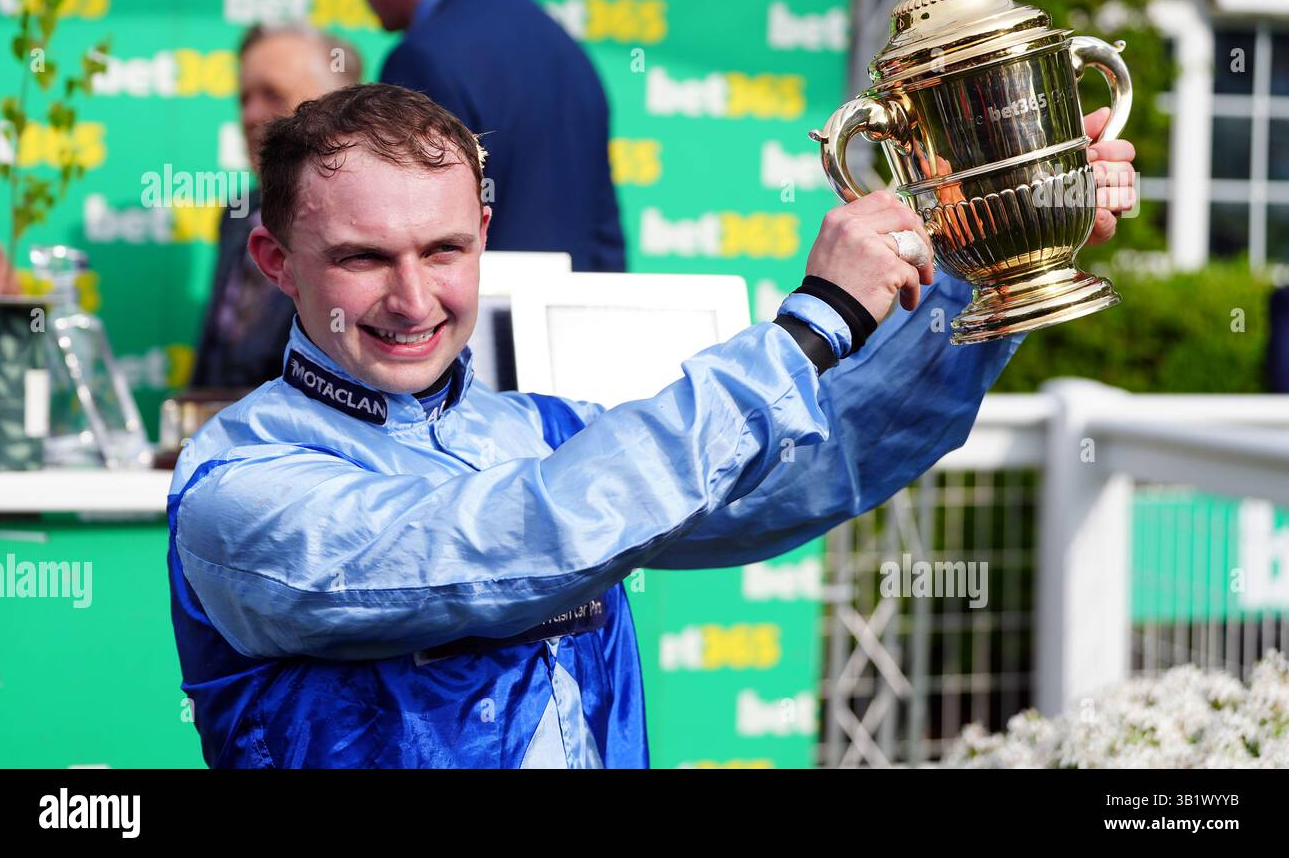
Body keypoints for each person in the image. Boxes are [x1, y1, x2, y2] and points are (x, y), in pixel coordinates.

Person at [167, 84, 1136, 768]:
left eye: (444, 247)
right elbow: (518, 537)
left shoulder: (539, 428)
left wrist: (998, 262)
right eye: (362, 257)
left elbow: (816, 462)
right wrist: (804, 330)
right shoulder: (236, 487)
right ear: (274, 258)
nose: (412, 295)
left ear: (482, 242)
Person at [332, 0, 626, 272]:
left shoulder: (423, 60)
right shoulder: (562, 47)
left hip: (480, 328)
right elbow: (603, 236)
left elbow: (407, 251)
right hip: (573, 324)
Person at [190, 23, 363, 389]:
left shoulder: (368, 223)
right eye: (244, 99)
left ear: (337, 102)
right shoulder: (239, 212)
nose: (251, 116)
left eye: (272, 94)